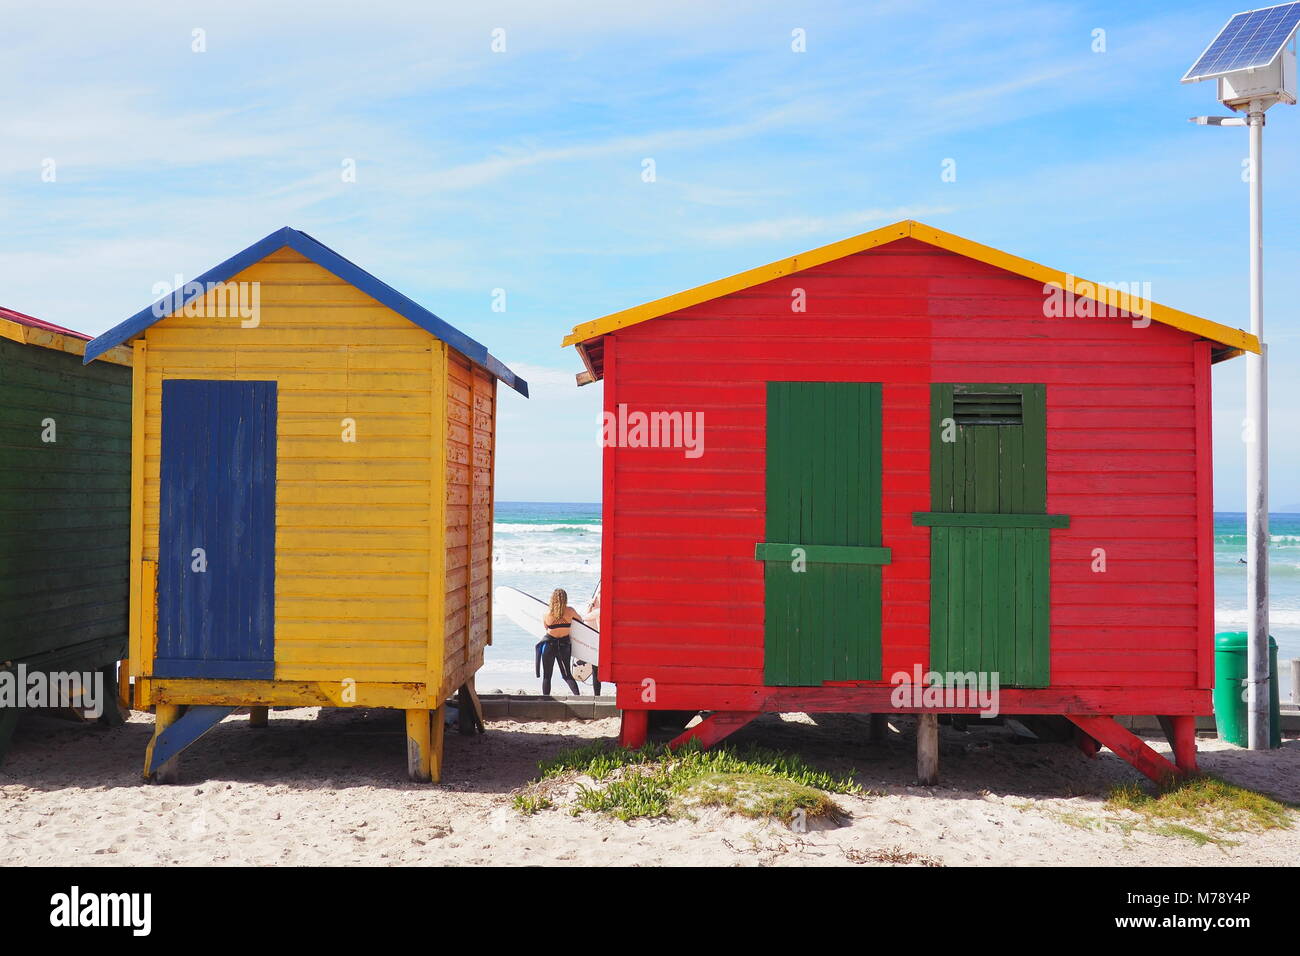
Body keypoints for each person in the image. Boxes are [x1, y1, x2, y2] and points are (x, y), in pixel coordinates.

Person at [537, 588, 582, 696]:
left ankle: (546, 700)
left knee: (547, 676)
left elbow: (546, 627)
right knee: (567, 675)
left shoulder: (547, 614)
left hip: (549, 645)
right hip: (564, 645)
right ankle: (578, 697)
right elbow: (581, 621)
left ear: (552, 599)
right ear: (565, 599)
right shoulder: (570, 611)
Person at [584, 583, 602, 696]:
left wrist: (590, 605)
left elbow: (585, 618)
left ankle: (597, 695)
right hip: (613, 644)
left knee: (596, 670)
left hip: (600, 643)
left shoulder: (598, 612)